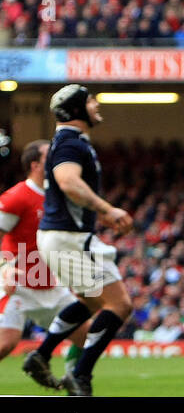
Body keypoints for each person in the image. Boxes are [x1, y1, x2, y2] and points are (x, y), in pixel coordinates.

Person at [26, 85, 134, 396]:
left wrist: (98, 214)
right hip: (68, 239)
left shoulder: (68, 142)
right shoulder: (71, 143)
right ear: (76, 110)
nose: (96, 104)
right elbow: (68, 182)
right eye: (89, 100)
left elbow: (68, 191)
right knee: (119, 304)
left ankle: (41, 354)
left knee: (89, 301)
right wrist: (106, 208)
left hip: (63, 237)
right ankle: (80, 374)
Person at [0, 139, 89, 386]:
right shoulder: (17, 196)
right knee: (6, 343)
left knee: (86, 334)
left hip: (52, 283)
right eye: (50, 154)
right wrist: (3, 267)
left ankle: (75, 381)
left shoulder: (58, 194)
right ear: (35, 164)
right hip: (19, 282)